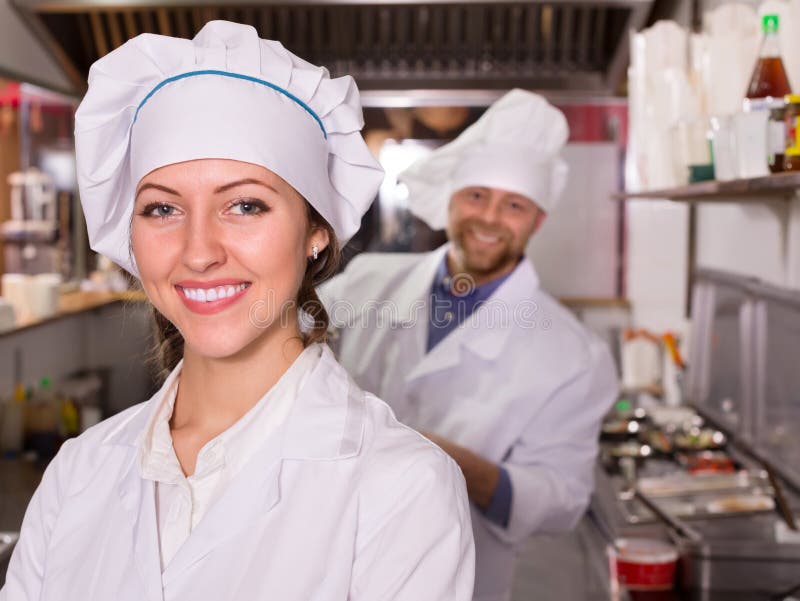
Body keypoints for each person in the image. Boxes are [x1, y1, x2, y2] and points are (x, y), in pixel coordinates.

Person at [0, 21, 475, 601]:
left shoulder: (402, 488)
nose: (199, 252)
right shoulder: (77, 474)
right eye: (161, 209)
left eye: (245, 205)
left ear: (316, 230)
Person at [321, 89, 618, 601]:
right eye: (476, 195)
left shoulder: (576, 355)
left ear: (538, 220)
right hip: (330, 557)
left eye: (515, 205)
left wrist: (445, 462)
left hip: (460, 576)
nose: (489, 218)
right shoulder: (366, 282)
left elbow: (562, 498)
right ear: (451, 198)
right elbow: (282, 346)